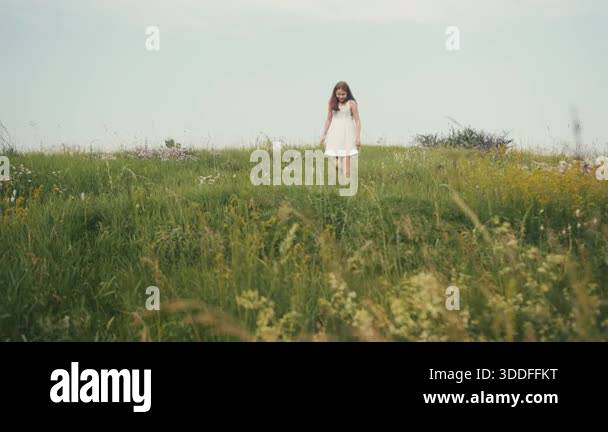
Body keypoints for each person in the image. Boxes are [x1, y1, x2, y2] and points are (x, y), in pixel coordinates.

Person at [320, 81, 361, 177]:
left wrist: (358, 137)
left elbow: (357, 121)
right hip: (334, 132)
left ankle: (346, 178)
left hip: (348, 133)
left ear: (347, 93)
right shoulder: (332, 103)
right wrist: (324, 134)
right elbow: (328, 120)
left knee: (346, 158)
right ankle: (344, 172)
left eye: (343, 94)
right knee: (332, 157)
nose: (341, 96)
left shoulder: (351, 103)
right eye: (338, 94)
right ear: (335, 93)